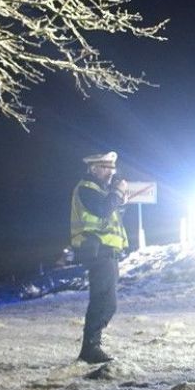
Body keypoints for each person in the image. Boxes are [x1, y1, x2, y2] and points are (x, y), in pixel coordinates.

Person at [70, 151, 128, 363]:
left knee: (107, 301)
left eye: (112, 168)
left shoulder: (102, 191)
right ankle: (90, 348)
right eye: (106, 168)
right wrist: (117, 194)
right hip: (97, 250)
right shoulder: (87, 188)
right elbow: (103, 210)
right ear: (93, 168)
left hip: (108, 252)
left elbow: (110, 216)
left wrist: (120, 199)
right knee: (103, 301)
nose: (111, 172)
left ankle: (91, 346)